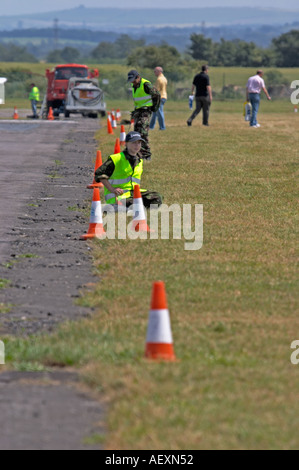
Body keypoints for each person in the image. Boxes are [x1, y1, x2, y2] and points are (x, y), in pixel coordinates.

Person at [94, 131, 162, 209]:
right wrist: (112, 189)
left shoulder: (139, 160)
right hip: (118, 196)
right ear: (126, 144)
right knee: (136, 206)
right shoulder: (117, 159)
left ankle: (136, 207)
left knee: (157, 198)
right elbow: (99, 174)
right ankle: (117, 207)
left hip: (134, 193)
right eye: (134, 143)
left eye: (139, 143)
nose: (137, 145)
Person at [127, 69, 161, 161]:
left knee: (143, 131)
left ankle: (146, 154)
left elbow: (157, 95)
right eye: (131, 80)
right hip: (138, 110)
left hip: (146, 110)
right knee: (136, 133)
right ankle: (138, 153)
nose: (132, 82)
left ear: (138, 77)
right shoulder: (134, 85)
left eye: (134, 79)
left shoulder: (146, 84)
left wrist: (154, 108)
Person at [150, 67, 168, 131]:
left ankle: (162, 127)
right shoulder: (164, 78)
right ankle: (151, 127)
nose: (154, 72)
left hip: (159, 97)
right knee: (155, 113)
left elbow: (156, 90)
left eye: (155, 71)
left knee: (159, 112)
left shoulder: (159, 79)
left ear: (159, 72)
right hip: (164, 96)